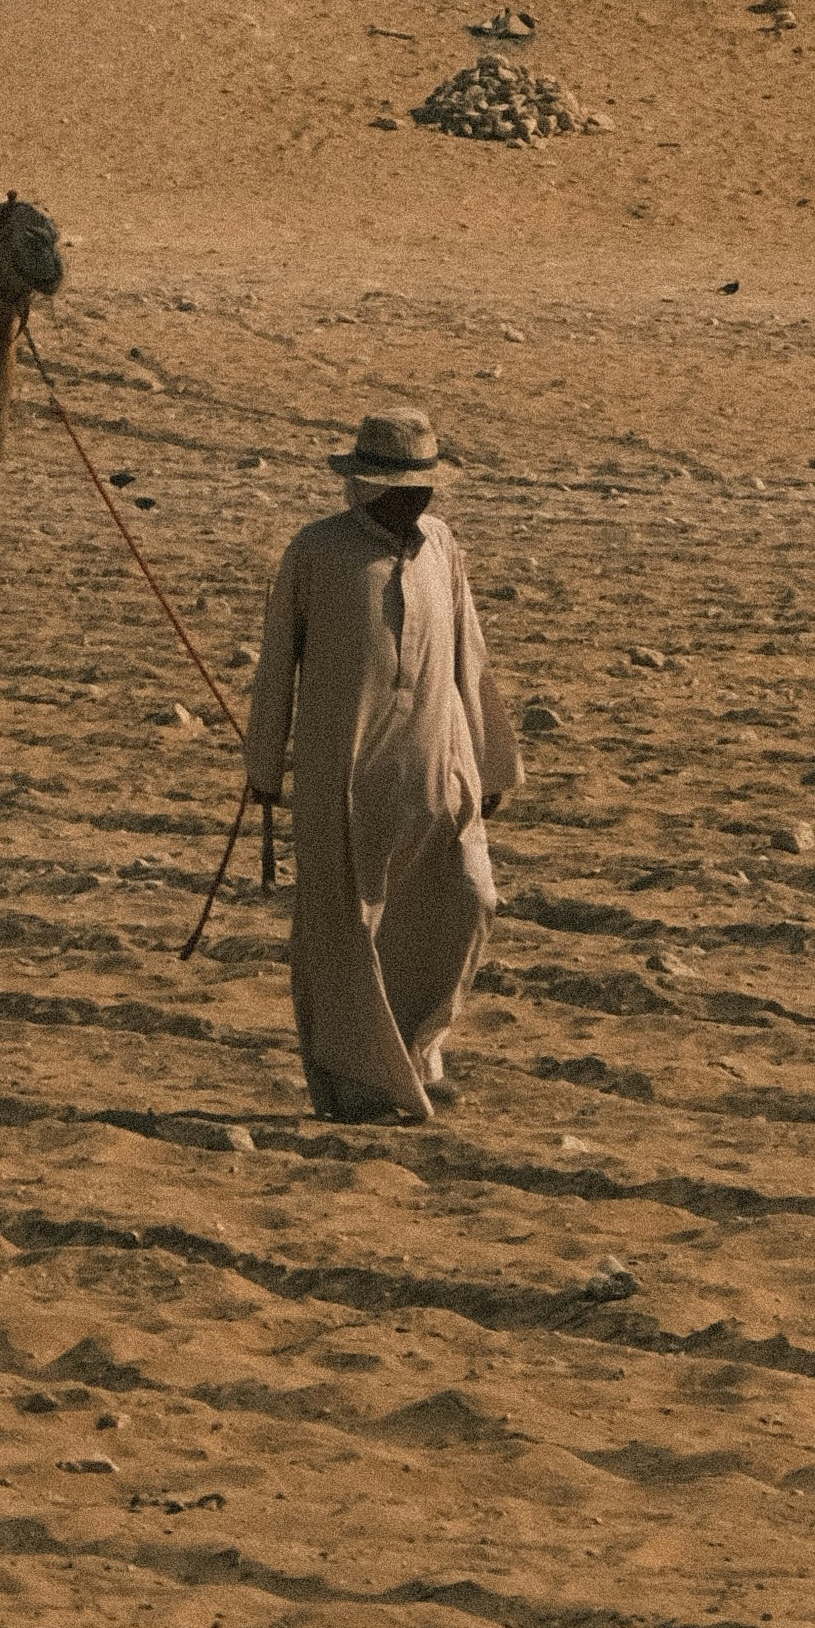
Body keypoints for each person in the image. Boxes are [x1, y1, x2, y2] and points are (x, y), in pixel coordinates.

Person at [239, 406, 522, 1129]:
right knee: (345, 933)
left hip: (440, 762)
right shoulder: (316, 553)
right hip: (346, 778)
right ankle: (360, 1081)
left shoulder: (442, 546)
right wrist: (264, 765)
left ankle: (417, 1049)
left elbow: (472, 654)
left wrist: (490, 764)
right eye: (405, 485)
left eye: (425, 484)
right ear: (369, 487)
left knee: (466, 901)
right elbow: (278, 665)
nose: (419, 497)